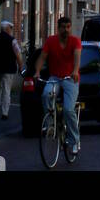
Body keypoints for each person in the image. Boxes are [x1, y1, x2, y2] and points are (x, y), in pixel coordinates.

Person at [35, 15, 82, 156]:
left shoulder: (75, 41)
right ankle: (50, 124)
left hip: (70, 78)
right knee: (46, 94)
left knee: (68, 110)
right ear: (58, 28)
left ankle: (75, 140)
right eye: (63, 27)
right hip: (55, 77)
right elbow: (42, 57)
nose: (66, 30)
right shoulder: (51, 41)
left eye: (68, 27)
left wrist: (75, 71)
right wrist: (37, 71)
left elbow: (77, 57)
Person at [0, 19, 23, 120]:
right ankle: (5, 112)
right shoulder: (12, 41)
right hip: (8, 68)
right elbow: (18, 55)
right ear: (7, 29)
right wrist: (20, 67)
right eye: (10, 28)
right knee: (6, 89)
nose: (11, 30)